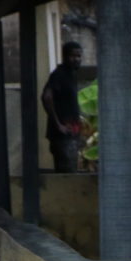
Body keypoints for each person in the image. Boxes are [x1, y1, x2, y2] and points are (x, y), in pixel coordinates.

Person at [41, 41, 85, 172]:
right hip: (63, 135)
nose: (77, 59)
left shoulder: (71, 74)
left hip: (71, 132)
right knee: (67, 172)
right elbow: (46, 97)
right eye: (73, 56)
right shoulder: (59, 74)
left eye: (79, 56)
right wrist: (58, 124)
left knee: (71, 169)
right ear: (65, 56)